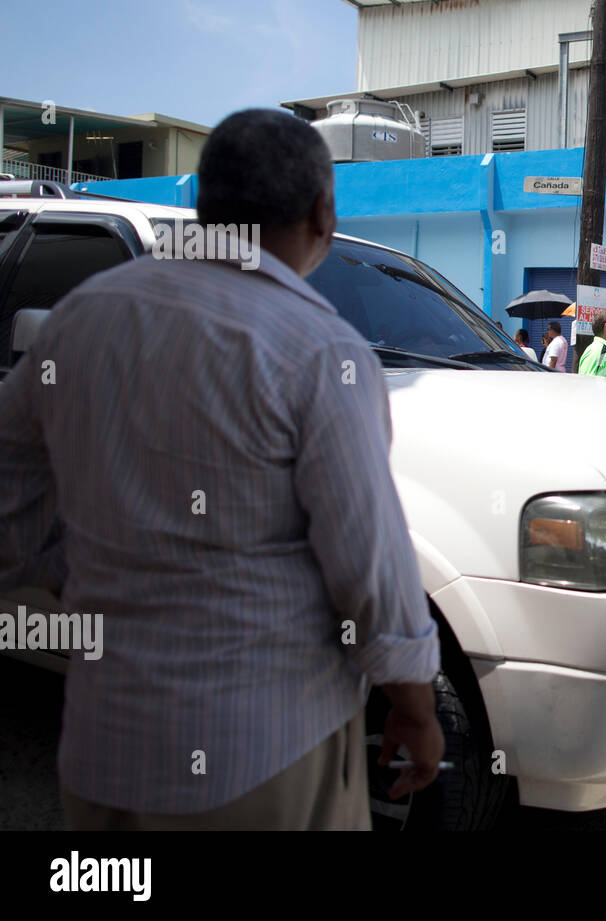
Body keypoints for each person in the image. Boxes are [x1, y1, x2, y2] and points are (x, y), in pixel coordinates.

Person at [0, 108, 443, 829]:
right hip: (265, 756)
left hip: (103, 749)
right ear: (323, 212)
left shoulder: (82, 319)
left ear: (206, 207)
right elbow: (372, 565)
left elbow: (10, 505)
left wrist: (83, 565)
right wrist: (415, 707)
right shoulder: (320, 350)